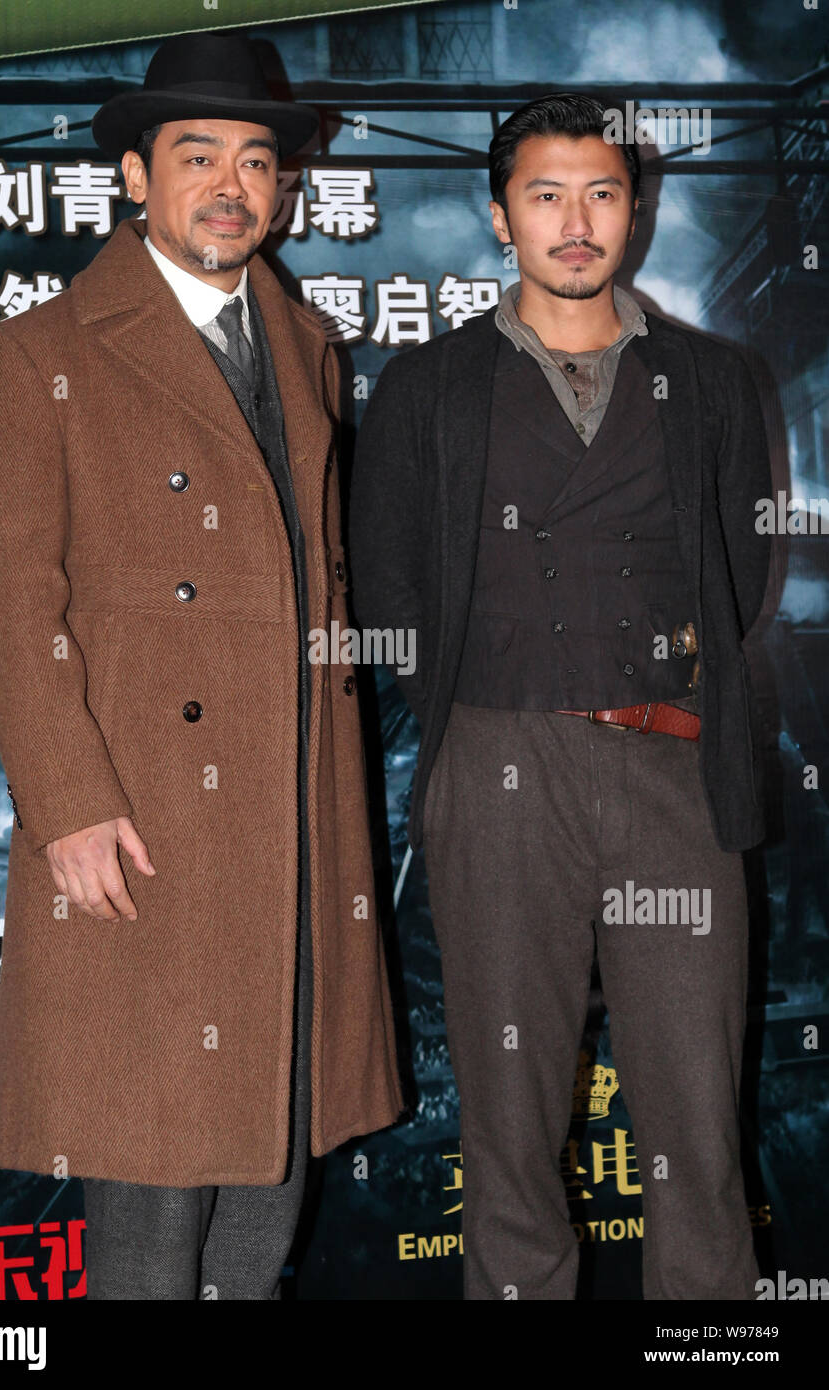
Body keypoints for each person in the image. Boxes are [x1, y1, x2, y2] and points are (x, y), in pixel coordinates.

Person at [0, 31, 403, 1301]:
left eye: (256, 161)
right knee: (152, 1222)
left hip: (295, 839)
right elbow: (9, 600)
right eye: (196, 156)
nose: (230, 186)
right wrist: (69, 802)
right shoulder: (40, 354)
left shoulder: (310, 348)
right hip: (145, 828)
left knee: (265, 1206)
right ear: (134, 180)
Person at [349, 93, 772, 1300]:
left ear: (631, 211)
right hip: (497, 770)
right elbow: (390, 583)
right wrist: (500, 697)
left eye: (599, 194)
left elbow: (743, 571)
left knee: (697, 1116)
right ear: (499, 216)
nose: (575, 222)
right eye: (545, 195)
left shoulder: (710, 379)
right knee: (509, 1124)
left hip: (673, 771)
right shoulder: (427, 388)